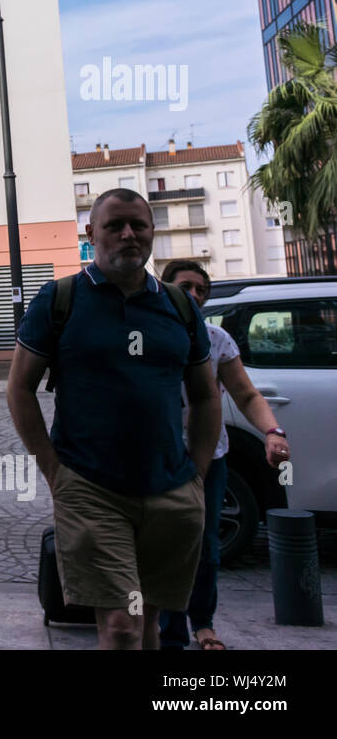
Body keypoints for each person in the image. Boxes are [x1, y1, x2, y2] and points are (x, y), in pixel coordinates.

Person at [7, 188, 221, 649]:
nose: (128, 235)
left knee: (149, 625)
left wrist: (197, 476)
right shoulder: (60, 299)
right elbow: (19, 388)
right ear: (91, 234)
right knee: (121, 625)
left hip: (171, 488)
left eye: (138, 225)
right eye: (114, 226)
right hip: (91, 488)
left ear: (151, 232)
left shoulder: (179, 307)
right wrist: (52, 470)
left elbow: (206, 396)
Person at [157, 260, 290, 650]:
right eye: (186, 286)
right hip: (158, 457)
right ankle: (169, 630)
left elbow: (247, 394)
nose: (196, 294)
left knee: (204, 546)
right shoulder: (147, 335)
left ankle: (203, 623)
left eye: (202, 288)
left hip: (208, 459)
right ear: (165, 290)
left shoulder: (217, 340)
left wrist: (272, 431)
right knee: (162, 545)